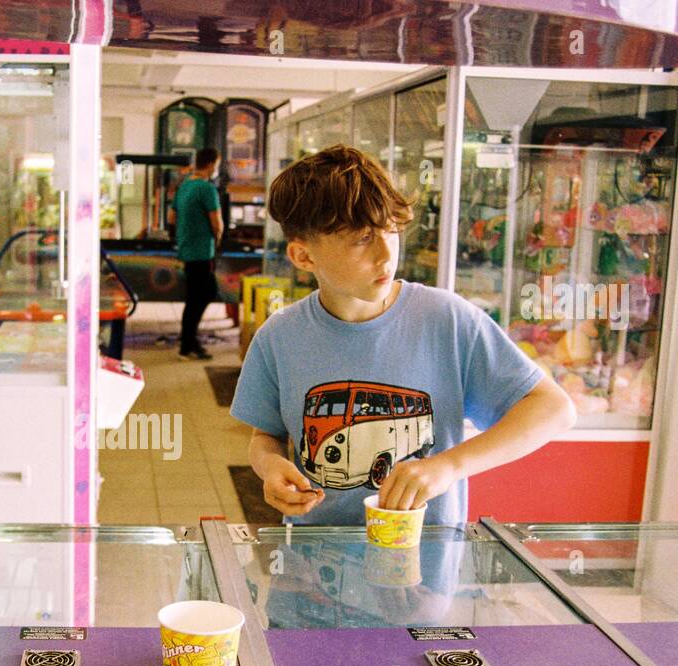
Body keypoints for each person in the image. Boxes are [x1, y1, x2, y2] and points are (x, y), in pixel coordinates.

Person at [231, 145, 576, 524]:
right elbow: (265, 437)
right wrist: (270, 468)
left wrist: (448, 466)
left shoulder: (447, 320)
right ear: (303, 257)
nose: (385, 255)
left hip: (423, 562)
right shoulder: (279, 338)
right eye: (362, 239)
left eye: (391, 231)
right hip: (311, 565)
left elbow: (554, 409)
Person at [168, 147, 223, 360]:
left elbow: (172, 217)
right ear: (210, 165)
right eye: (217, 165)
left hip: (187, 250)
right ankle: (187, 345)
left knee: (198, 296)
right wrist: (217, 239)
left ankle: (189, 341)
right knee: (202, 296)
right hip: (202, 252)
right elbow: (217, 223)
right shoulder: (207, 189)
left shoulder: (184, 186)